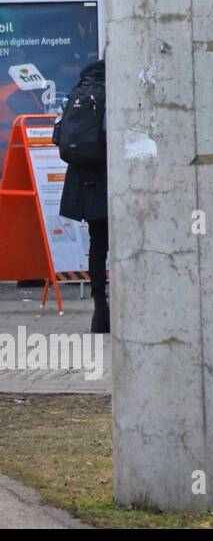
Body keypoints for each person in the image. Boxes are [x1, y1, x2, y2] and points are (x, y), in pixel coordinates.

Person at [55, 59, 109, 334]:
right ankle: (123, 305)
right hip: (108, 180)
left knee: (97, 247)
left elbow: (58, 138)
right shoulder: (111, 93)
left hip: (82, 183)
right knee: (121, 246)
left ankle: (100, 312)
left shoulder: (76, 94)